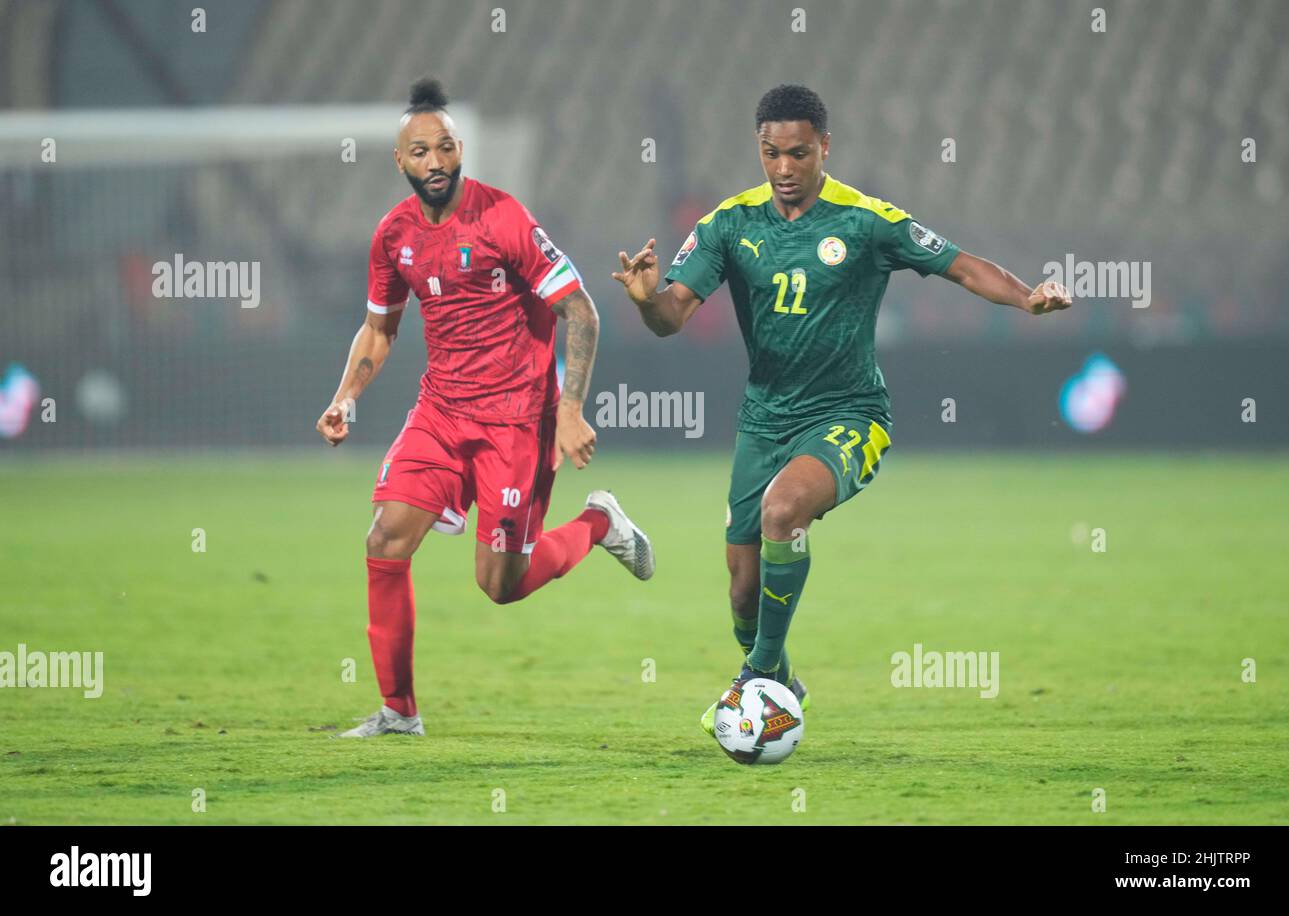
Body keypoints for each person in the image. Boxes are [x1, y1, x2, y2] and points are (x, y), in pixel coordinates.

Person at [612, 84, 1070, 733]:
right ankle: (778, 674)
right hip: (764, 420)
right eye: (772, 154)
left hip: (850, 414)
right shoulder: (729, 224)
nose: (785, 169)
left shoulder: (866, 220)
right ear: (759, 149)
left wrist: (1029, 299)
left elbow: (962, 266)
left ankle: (758, 678)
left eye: (799, 153)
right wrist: (642, 298)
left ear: (824, 147)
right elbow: (671, 317)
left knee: (783, 510)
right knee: (743, 593)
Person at [318, 78, 653, 738]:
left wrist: (570, 408)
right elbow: (380, 329)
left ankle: (597, 523)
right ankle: (398, 712)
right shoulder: (393, 237)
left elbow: (579, 310)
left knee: (500, 584)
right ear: (400, 161)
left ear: (460, 149)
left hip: (517, 422)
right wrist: (345, 398)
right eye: (420, 152)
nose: (435, 162)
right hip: (441, 414)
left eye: (445, 148)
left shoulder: (503, 218)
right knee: (384, 539)